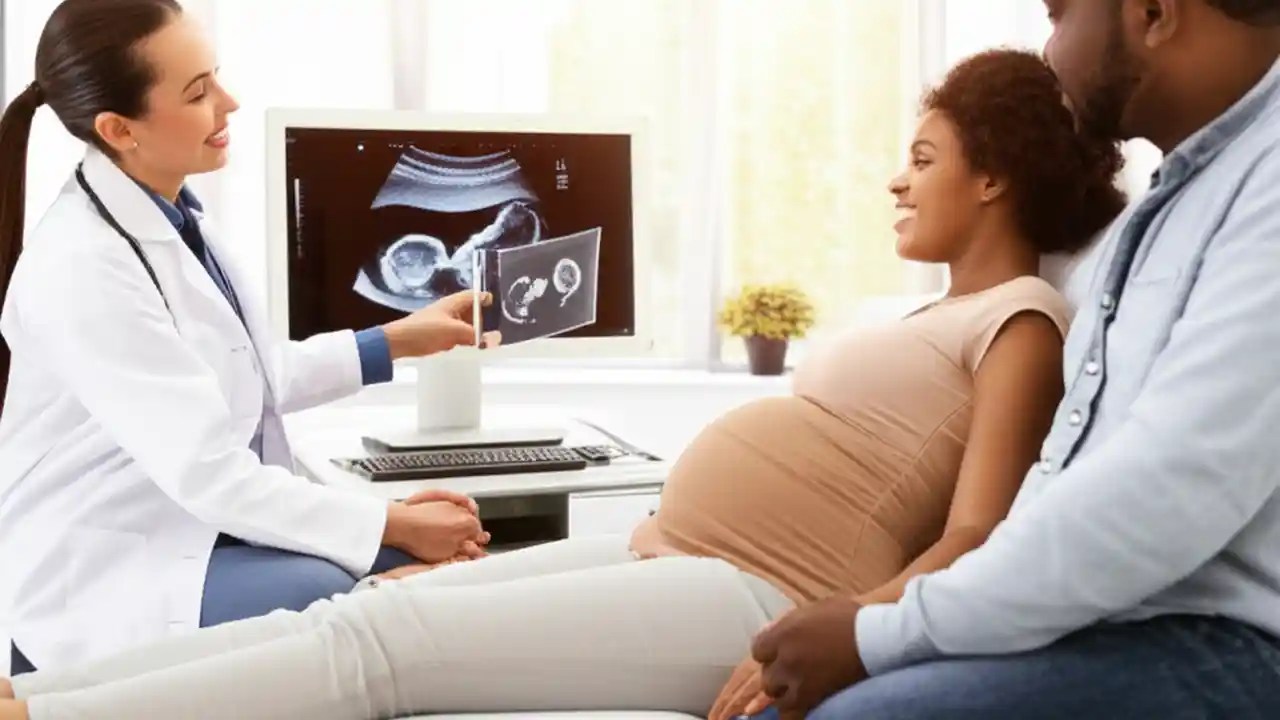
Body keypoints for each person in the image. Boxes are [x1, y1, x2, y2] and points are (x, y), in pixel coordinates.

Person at [0, 45, 1127, 719]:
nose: (893, 176)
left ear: (992, 178)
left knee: (372, 648)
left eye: (922, 159)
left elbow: (973, 537)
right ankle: (39, 697)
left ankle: (44, 715)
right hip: (680, 549)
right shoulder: (928, 311)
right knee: (381, 599)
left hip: (763, 594)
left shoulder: (1019, 319)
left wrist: (842, 632)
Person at [742, 1, 1280, 718]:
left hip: (1225, 636)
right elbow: (1058, 484)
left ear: (1152, 12)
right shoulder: (1160, 211)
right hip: (1111, 619)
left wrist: (885, 630)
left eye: (1058, 15)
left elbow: (1172, 485)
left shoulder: (1265, 185)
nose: (1049, 52)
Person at [0, 0, 499, 678]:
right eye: (199, 92)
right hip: (108, 567)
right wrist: (387, 522)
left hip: (194, 524)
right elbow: (207, 469)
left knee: (430, 580)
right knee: (356, 605)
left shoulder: (173, 219)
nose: (229, 103)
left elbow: (248, 376)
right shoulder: (82, 267)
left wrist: (399, 340)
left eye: (217, 78)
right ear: (119, 129)